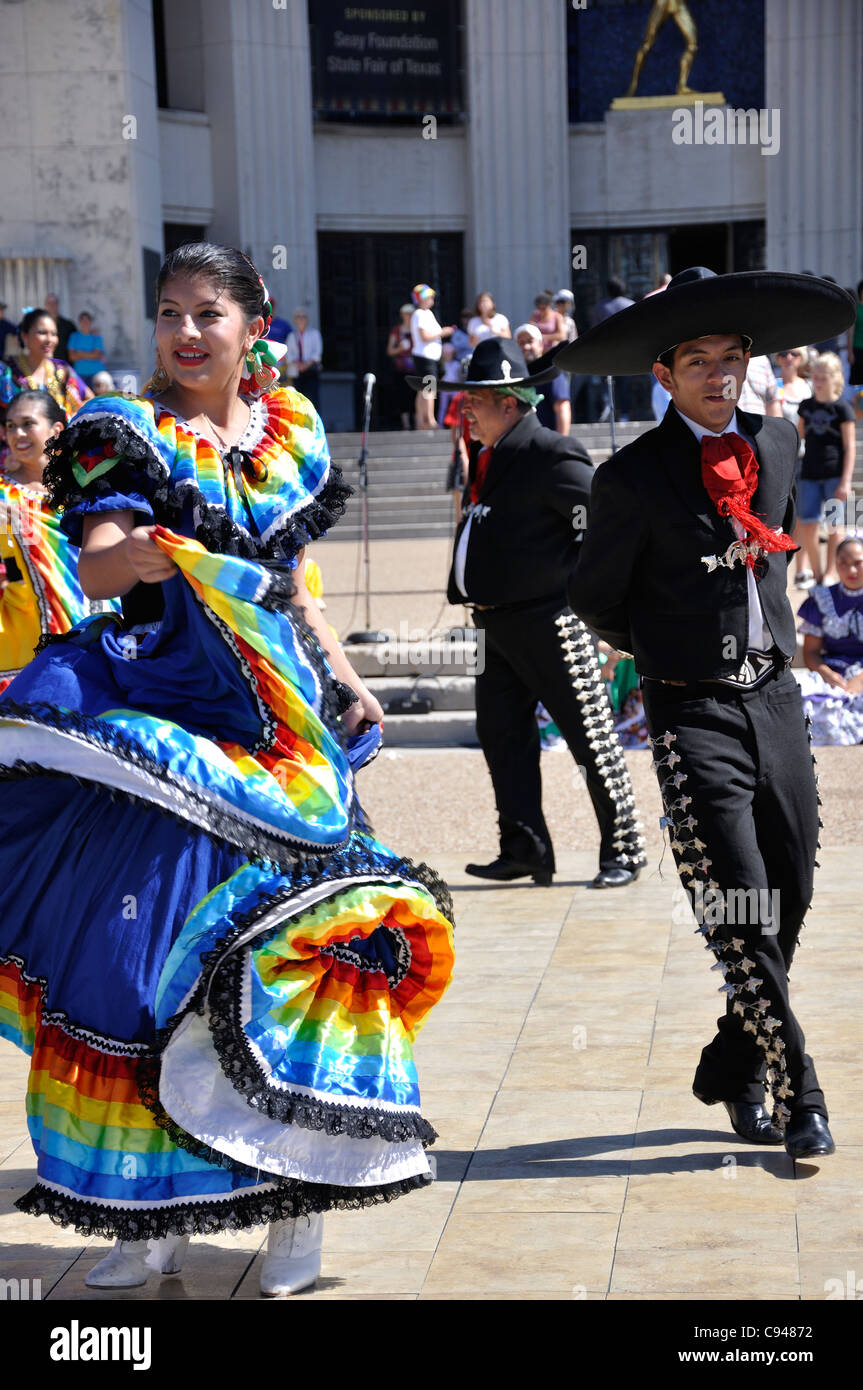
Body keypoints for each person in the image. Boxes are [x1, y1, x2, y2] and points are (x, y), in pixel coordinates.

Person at [0, 242, 454, 1298]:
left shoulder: (286, 434)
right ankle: (138, 1214)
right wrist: (140, 558)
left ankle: (298, 1212)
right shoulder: (123, 431)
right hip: (167, 722)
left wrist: (342, 674)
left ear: (255, 325)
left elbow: (292, 586)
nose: (185, 332)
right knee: (134, 968)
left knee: (295, 964)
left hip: (285, 726)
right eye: (169, 312)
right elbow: (97, 559)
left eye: (208, 312)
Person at [559, 264, 856, 1159]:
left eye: (731, 358)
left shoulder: (779, 444)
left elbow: (779, 560)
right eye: (698, 361)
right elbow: (598, 601)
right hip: (689, 707)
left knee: (791, 885)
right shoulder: (630, 478)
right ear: (664, 373)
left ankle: (731, 1057)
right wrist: (673, 651)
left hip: (774, 696)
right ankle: (794, 1086)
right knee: (736, 902)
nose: (718, 375)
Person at [433, 337, 646, 888]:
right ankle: (525, 847)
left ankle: (624, 848)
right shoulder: (489, 457)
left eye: (472, 403)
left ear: (508, 403)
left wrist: (601, 614)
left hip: (551, 618)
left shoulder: (552, 452)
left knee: (589, 734)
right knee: (502, 735)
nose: (464, 413)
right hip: (494, 623)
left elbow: (604, 529)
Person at [0, 390, 95, 687]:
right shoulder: (4, 494)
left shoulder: (86, 489)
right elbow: (8, 562)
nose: (18, 433)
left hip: (94, 626)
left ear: (56, 430)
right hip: (25, 633)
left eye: (28, 423)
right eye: (11, 426)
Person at [795, 536, 863, 744]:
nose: (850, 570)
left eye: (858, 563)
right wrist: (827, 674)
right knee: (794, 696)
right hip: (833, 673)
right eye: (843, 562)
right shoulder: (823, 599)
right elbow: (811, 652)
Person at [796, 352, 856, 586]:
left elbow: (850, 446)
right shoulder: (805, 406)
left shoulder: (842, 408)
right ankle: (817, 572)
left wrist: (846, 481)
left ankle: (832, 572)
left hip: (835, 474)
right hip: (809, 473)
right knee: (808, 523)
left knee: (835, 526)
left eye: (823, 377)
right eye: (816, 377)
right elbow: (798, 435)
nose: (818, 381)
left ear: (834, 378)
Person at [0, 307, 92, 422]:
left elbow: (91, 400)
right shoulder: (6, 373)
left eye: (54, 334)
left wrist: (71, 417)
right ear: (24, 336)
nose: (50, 340)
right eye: (42, 332)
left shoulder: (62, 370)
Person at [409, 284, 453, 430]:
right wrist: (443, 332)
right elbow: (425, 336)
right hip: (425, 356)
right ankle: (430, 420)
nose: (431, 299)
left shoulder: (425, 313)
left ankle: (422, 420)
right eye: (428, 296)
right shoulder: (420, 314)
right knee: (429, 388)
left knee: (423, 389)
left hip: (428, 356)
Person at [591, 278, 635, 421]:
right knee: (624, 384)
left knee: (607, 382)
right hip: (626, 351)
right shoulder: (630, 305)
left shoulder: (600, 307)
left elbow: (594, 330)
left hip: (606, 350)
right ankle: (624, 413)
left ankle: (608, 407)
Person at [515, 323, 571, 434]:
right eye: (521, 343)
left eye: (530, 341)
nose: (526, 347)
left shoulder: (551, 372)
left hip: (547, 442)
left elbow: (562, 409)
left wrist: (561, 445)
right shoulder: (514, 375)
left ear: (540, 345)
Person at [284, 307, 322, 411]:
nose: (301, 319)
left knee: (313, 400)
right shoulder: (291, 336)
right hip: (297, 373)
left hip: (311, 372)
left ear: (307, 319)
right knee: (298, 400)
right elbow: (288, 354)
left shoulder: (314, 334)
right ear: (295, 320)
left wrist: (306, 365)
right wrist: (298, 364)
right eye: (298, 317)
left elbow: (317, 353)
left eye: (303, 317)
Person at [385, 303, 416, 429]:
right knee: (403, 396)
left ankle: (420, 421)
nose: (408, 316)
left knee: (422, 393)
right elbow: (390, 351)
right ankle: (406, 424)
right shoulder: (396, 331)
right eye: (406, 314)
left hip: (418, 368)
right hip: (401, 368)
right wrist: (400, 349)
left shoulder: (418, 329)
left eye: (411, 314)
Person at [66, 311, 107, 382]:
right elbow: (72, 357)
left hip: (97, 374)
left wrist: (80, 353)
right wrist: (90, 354)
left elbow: (97, 355)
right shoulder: (74, 336)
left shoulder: (96, 336)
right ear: (79, 322)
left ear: (91, 322)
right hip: (80, 374)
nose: (85, 323)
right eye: (83, 320)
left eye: (87, 320)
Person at [43, 292, 77, 362]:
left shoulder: (68, 325)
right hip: (46, 365)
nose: (52, 305)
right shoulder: (39, 326)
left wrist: (90, 332)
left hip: (65, 365)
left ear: (58, 304)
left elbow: (78, 340)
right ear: (46, 305)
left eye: (54, 303)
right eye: (49, 303)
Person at [846, 280, 863, 388]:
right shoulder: (856, 309)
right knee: (858, 380)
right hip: (858, 348)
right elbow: (850, 332)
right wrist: (850, 352)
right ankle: (857, 403)